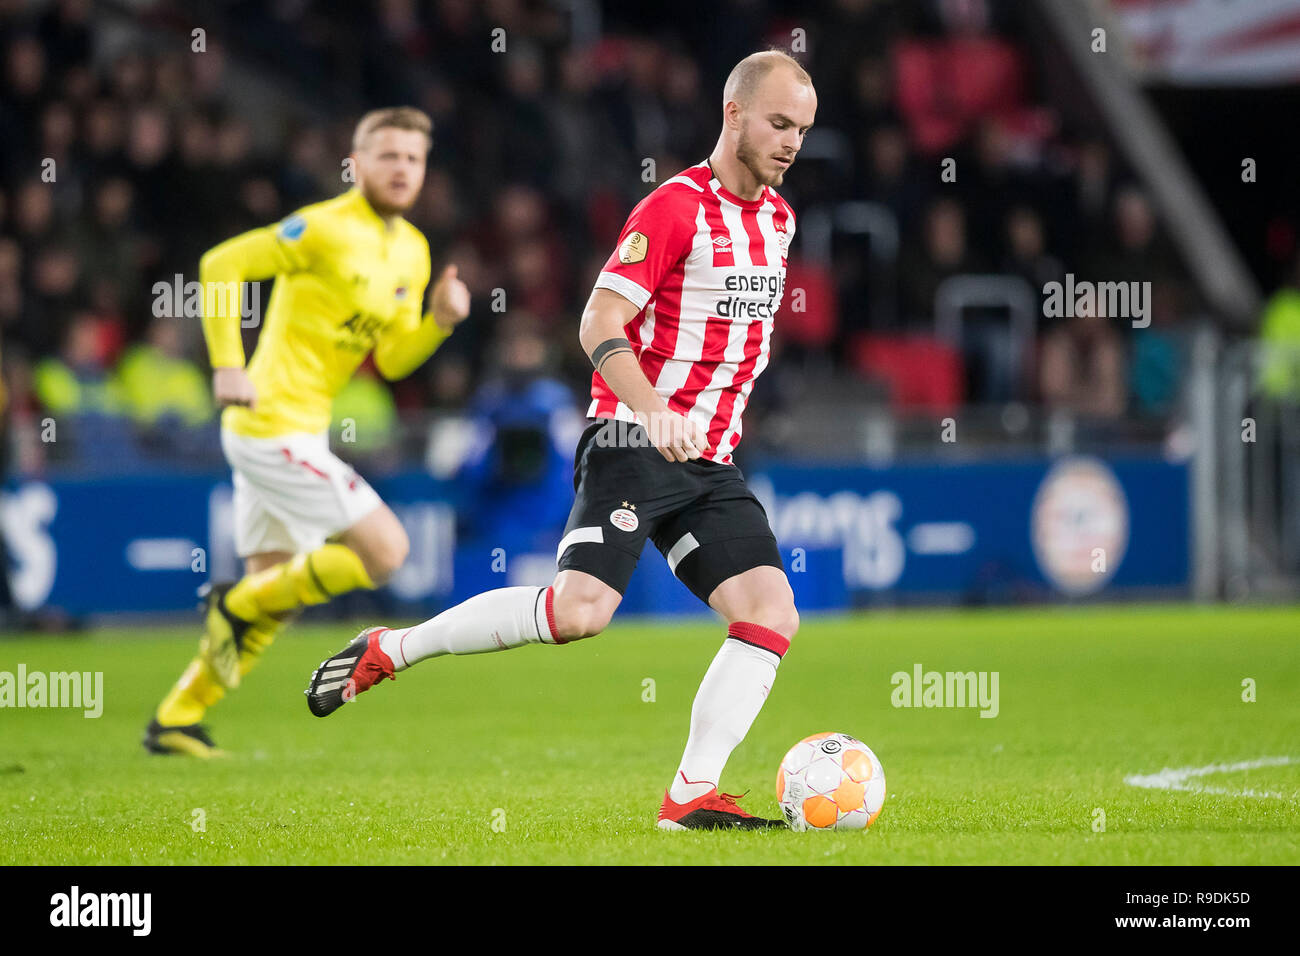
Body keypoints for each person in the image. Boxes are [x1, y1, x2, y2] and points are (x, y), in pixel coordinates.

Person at [305, 51, 816, 830]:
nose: (790, 143)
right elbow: (597, 322)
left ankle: (690, 796)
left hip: (709, 461)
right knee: (580, 615)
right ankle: (393, 648)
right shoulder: (673, 209)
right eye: (779, 123)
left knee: (772, 613)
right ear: (734, 115)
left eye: (803, 130)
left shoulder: (778, 222)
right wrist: (652, 411)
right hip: (632, 441)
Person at [144, 107, 470, 757]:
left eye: (413, 158)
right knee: (386, 551)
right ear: (356, 164)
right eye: (388, 155)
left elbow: (393, 358)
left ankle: (177, 718)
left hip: (303, 431)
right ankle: (234, 602)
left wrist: (437, 320)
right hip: (268, 423)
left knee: (277, 593)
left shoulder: (412, 250)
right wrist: (227, 364)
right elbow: (221, 265)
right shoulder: (322, 228)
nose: (402, 168)